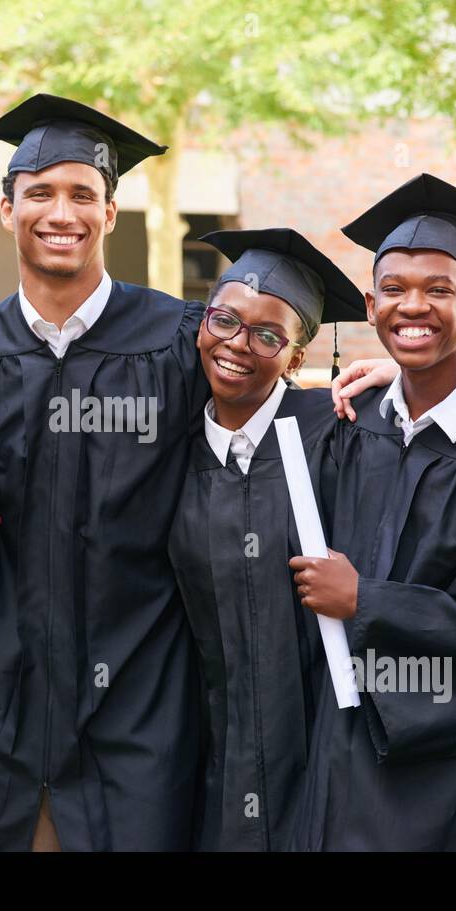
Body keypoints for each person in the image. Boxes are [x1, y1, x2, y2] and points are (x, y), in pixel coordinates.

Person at [0, 94, 207, 850]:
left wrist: (377, 377)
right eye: (41, 194)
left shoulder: (177, 341)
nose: (63, 212)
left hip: (143, 697)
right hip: (9, 694)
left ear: (111, 213)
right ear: (6, 209)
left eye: (82, 194)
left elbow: (262, 418)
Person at [288, 174, 456, 850]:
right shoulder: (353, 421)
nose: (413, 307)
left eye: (439, 290)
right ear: (370, 305)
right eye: (394, 289)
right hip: (333, 754)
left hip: (437, 766)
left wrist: (365, 599)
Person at [166, 228, 365, 851]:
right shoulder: (168, 449)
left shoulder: (340, 436)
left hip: (322, 747)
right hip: (211, 753)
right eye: (223, 320)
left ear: (295, 356)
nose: (236, 345)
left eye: (268, 335)